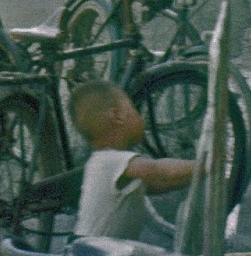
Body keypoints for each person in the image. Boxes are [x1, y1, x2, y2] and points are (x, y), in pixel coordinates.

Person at [70, 79, 197, 241]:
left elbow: (159, 184)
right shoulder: (110, 161)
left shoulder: (105, 163)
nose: (140, 115)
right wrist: (206, 164)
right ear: (117, 116)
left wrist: (196, 175)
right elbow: (158, 171)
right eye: (133, 108)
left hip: (99, 253)